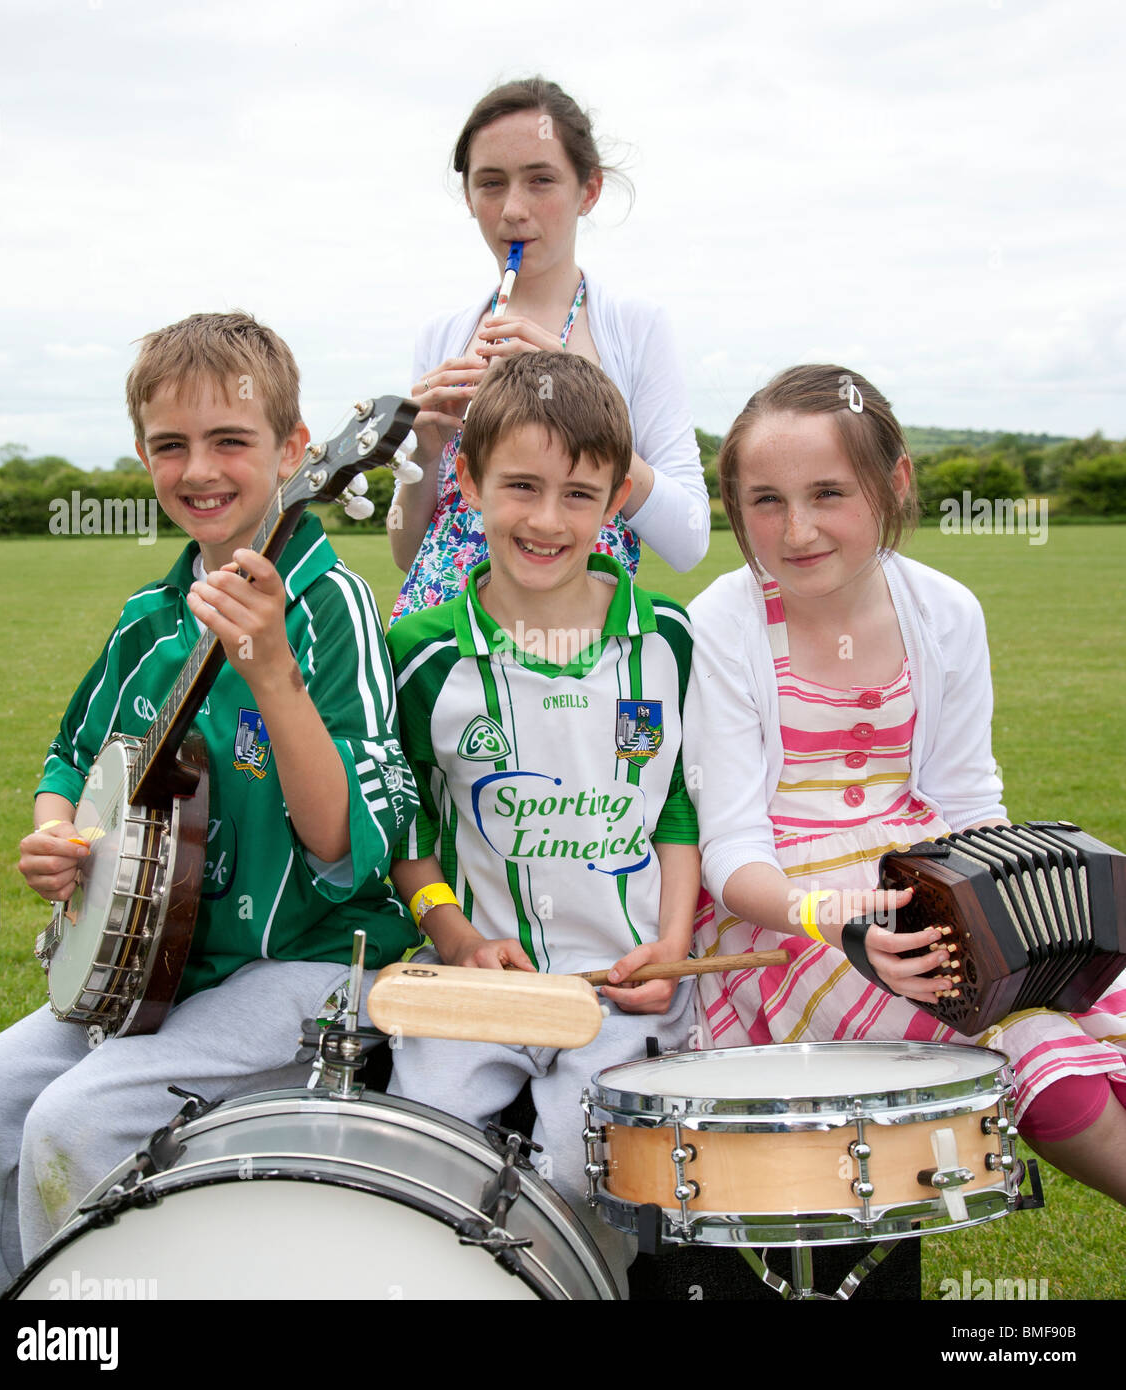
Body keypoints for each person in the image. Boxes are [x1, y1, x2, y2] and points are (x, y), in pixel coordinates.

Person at [0, 311, 419, 1298]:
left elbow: (350, 846)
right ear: (142, 456)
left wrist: (272, 675)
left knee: (73, 1123)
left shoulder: (327, 606)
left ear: (300, 453)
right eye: (171, 444)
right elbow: (71, 755)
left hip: (303, 966)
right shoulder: (148, 618)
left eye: (231, 440)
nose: (199, 468)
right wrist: (56, 833)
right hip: (156, 972)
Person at [685, 363, 1126, 1204]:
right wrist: (838, 921)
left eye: (828, 493)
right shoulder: (724, 621)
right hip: (790, 926)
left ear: (894, 483)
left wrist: (999, 921)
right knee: (1042, 1063)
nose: (797, 529)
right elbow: (732, 849)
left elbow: (968, 806)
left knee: (1091, 1012)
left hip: (929, 884)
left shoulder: (944, 609)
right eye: (764, 501)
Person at [385, 352, 702, 1288]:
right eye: (519, 486)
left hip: (620, 987)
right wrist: (451, 931)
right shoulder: (420, 646)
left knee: (583, 1170)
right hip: (478, 985)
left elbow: (675, 806)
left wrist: (674, 945)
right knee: (424, 1163)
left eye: (579, 493)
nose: (547, 519)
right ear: (469, 484)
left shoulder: (669, 637)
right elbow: (404, 821)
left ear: (615, 502)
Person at [388, 76, 709, 623]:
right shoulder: (442, 334)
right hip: (440, 654)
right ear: (469, 197)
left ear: (589, 190)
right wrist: (421, 449)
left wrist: (573, 397)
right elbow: (405, 553)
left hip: (575, 660)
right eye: (491, 183)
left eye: (541, 180)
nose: (514, 209)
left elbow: (690, 540)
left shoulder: (635, 327)